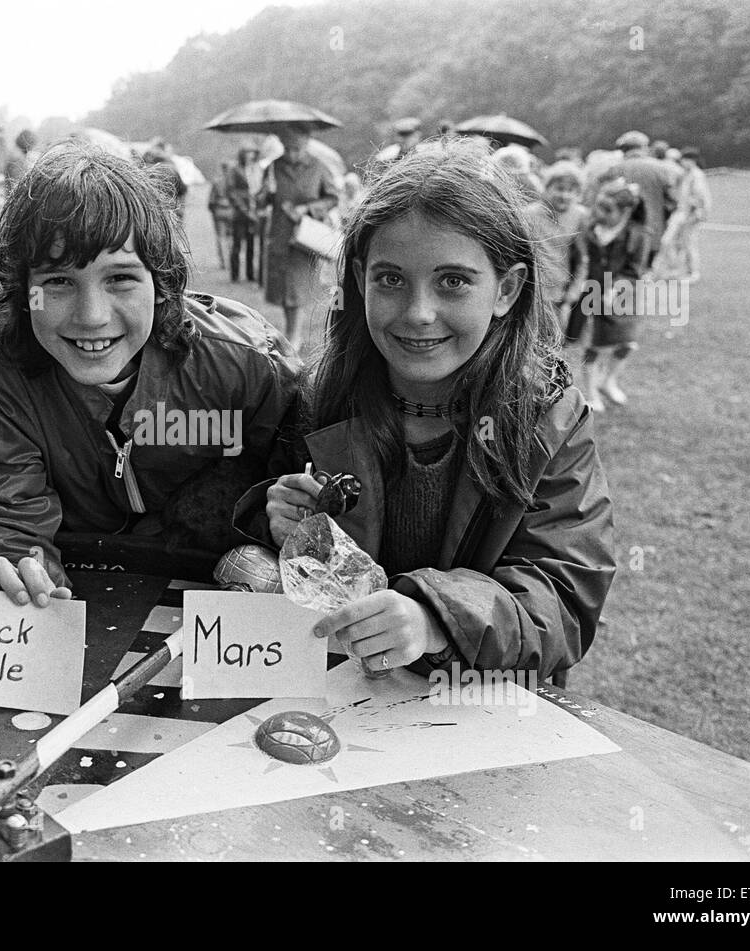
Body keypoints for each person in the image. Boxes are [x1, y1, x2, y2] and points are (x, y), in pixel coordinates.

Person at [245, 137, 614, 681]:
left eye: (453, 282)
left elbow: (564, 594)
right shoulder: (321, 399)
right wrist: (281, 525)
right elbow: (299, 569)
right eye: (390, 279)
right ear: (358, 281)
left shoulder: (549, 424)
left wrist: (435, 618)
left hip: (481, 706)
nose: (419, 313)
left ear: (507, 290)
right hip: (344, 695)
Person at [0, 141, 302, 602]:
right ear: (21, 293)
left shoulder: (245, 364)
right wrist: (16, 565)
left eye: (121, 278)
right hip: (83, 574)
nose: (92, 316)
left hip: (211, 588)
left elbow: (301, 475)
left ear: (161, 284)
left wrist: (271, 517)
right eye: (57, 282)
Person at [259, 125, 339, 350]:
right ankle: (290, 331)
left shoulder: (319, 167)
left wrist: (308, 208)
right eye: (287, 149)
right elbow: (261, 202)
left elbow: (332, 197)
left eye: (296, 149)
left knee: (295, 287)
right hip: (280, 234)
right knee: (283, 287)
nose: (291, 154)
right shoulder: (274, 167)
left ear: (306, 144)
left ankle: (293, 335)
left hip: (304, 236)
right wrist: (266, 192)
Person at [578, 178, 649, 411]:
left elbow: (635, 270)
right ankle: (589, 393)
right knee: (593, 345)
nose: (599, 213)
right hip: (593, 294)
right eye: (598, 206)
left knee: (627, 342)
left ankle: (608, 381)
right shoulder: (589, 229)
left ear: (626, 211)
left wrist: (616, 288)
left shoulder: (638, 235)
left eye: (607, 210)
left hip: (624, 296)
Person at [608, 131, 677, 270]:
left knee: (618, 275)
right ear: (644, 147)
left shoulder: (614, 169)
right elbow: (673, 201)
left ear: (623, 149)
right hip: (653, 231)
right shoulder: (661, 168)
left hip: (619, 232)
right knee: (645, 272)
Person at [539, 162, 590, 338]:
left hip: (559, 292)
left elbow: (583, 258)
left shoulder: (580, 216)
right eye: (559, 188)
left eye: (571, 191)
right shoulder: (529, 214)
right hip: (532, 290)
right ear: (547, 188)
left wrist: (574, 292)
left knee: (553, 344)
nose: (564, 195)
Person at [652, 147, 711, 283]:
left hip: (690, 214)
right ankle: (672, 271)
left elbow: (700, 197)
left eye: (687, 160)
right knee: (668, 241)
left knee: (688, 244)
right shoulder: (684, 174)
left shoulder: (697, 175)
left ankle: (693, 273)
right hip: (680, 212)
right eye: (683, 159)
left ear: (693, 161)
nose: (684, 162)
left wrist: (696, 213)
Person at [226, 146, 262, 283]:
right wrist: (244, 209)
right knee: (237, 245)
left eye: (252, 152)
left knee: (251, 245)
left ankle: (250, 274)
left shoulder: (256, 169)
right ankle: (235, 275)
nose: (250, 155)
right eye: (247, 152)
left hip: (254, 211)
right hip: (240, 214)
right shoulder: (235, 170)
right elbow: (231, 191)